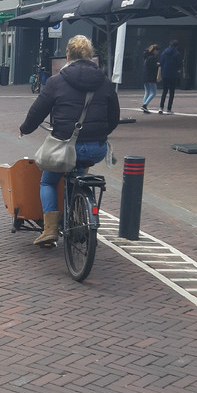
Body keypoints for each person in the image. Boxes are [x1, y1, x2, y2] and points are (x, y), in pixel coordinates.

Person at [20, 35, 120, 246]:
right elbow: (114, 118)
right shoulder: (104, 81)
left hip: (66, 146)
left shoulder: (56, 81)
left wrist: (25, 129)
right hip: (97, 148)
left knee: (48, 180)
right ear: (90, 56)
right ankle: (79, 212)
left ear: (67, 56)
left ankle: (50, 229)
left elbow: (37, 112)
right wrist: (99, 134)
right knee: (81, 168)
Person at [158, 38, 183, 114]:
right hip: (173, 75)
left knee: (164, 91)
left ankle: (161, 107)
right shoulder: (177, 54)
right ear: (176, 46)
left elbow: (161, 63)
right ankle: (169, 109)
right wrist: (178, 69)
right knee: (171, 92)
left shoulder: (163, 53)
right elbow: (179, 64)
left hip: (165, 74)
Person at [140, 44, 159, 114]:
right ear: (154, 51)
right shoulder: (152, 58)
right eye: (157, 50)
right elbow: (153, 68)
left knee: (147, 91)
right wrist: (157, 65)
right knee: (153, 92)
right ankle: (145, 105)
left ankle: (144, 105)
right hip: (151, 77)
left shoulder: (146, 57)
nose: (157, 52)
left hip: (145, 76)